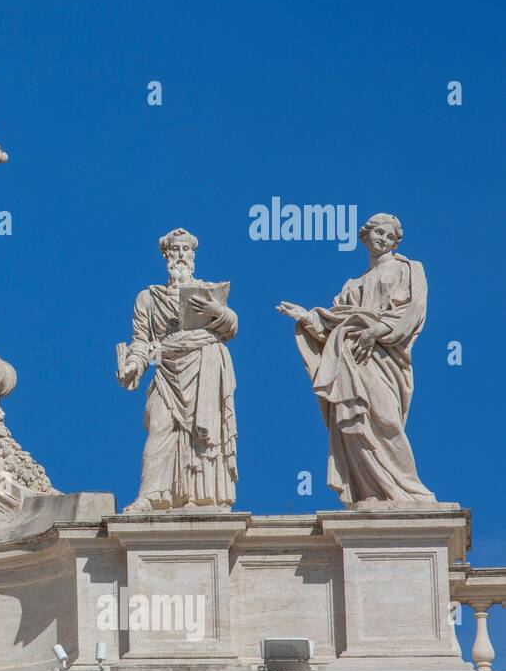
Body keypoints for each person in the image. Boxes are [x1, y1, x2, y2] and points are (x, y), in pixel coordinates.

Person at [277, 213, 435, 506]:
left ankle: (409, 492)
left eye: (389, 236)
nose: (383, 239)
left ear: (396, 241)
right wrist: (307, 317)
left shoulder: (410, 269)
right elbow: (333, 324)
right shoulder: (353, 285)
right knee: (355, 423)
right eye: (378, 233)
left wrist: (376, 330)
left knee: (385, 419)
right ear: (365, 237)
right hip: (351, 360)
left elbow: (413, 311)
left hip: (384, 355)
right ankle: (371, 492)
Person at [117, 228, 238, 513]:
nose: (181, 255)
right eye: (175, 250)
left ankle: (204, 496)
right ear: (166, 255)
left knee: (204, 433)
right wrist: (133, 365)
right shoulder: (148, 298)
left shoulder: (207, 291)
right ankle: (151, 496)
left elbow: (231, 325)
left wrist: (216, 310)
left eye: (186, 250)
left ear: (193, 254)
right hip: (166, 369)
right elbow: (141, 341)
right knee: (159, 427)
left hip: (203, 364)